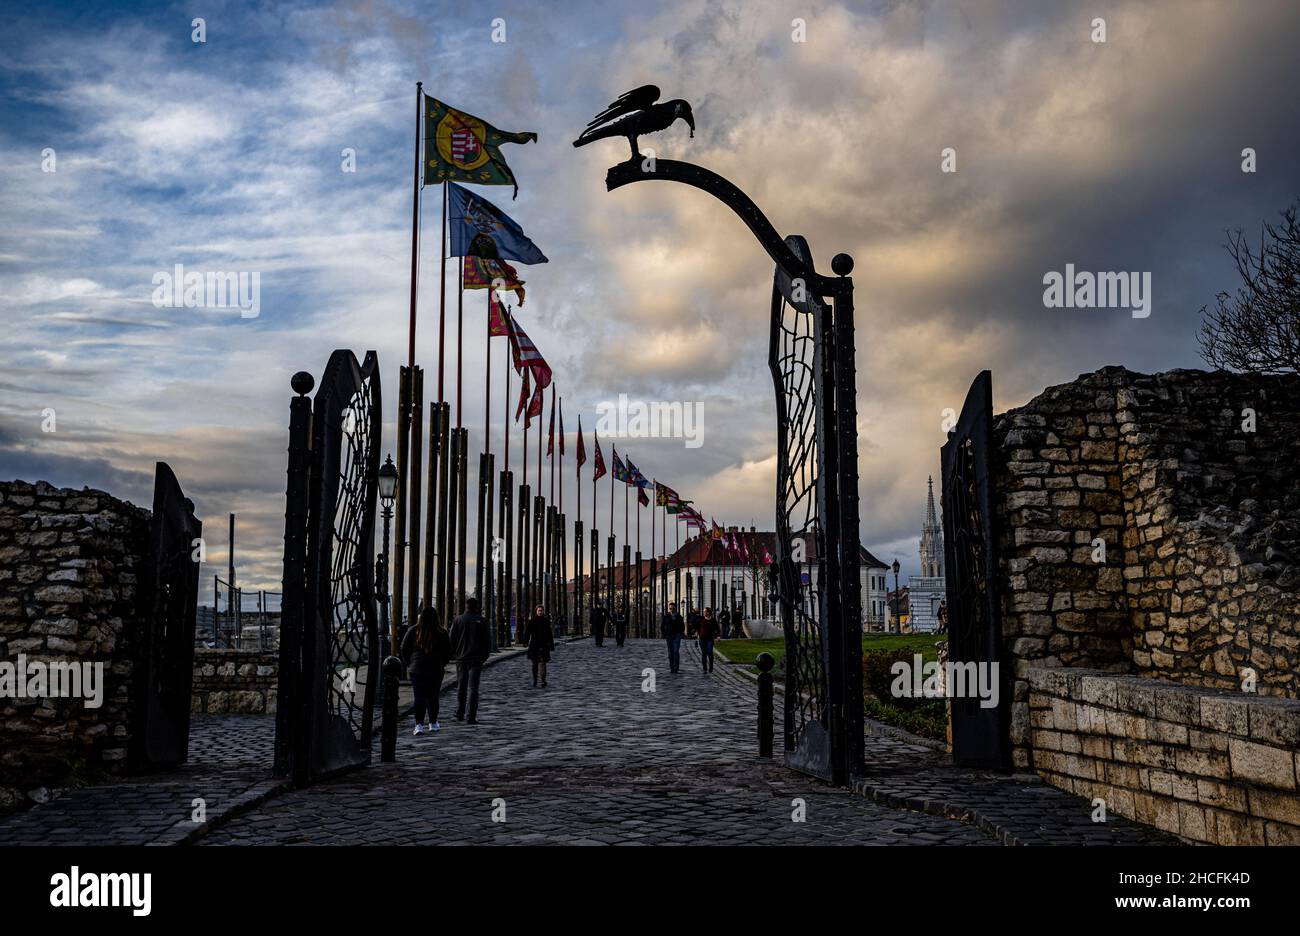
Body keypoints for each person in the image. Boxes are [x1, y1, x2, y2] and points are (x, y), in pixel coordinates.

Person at [400, 605, 451, 735]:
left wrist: (410, 663)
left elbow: (404, 649)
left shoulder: (413, 631)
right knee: (433, 696)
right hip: (435, 668)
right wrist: (442, 663)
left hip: (417, 669)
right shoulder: (442, 632)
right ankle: (433, 722)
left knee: (419, 697)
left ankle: (419, 725)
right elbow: (449, 651)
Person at [450, 596, 491, 724]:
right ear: (477, 607)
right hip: (476, 659)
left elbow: (452, 640)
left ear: (466, 606)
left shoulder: (458, 620)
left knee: (461, 687)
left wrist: (456, 655)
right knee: (473, 688)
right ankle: (471, 716)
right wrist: (483, 658)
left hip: (461, 659)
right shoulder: (482, 621)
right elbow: (487, 643)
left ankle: (459, 713)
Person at [523, 604, 555, 687]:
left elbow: (549, 634)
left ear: (543, 611)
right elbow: (527, 632)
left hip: (544, 645)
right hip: (534, 645)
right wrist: (525, 642)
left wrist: (551, 645)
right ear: (536, 611)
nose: (540, 612)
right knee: (534, 664)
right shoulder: (532, 621)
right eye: (539, 610)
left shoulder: (546, 621)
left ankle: (543, 680)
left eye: (541, 610)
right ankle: (535, 680)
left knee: (543, 663)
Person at [660, 602, 685, 673]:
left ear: (675, 608)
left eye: (673, 608)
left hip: (677, 635)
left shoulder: (679, 617)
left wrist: (680, 633)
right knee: (670, 653)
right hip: (669, 636)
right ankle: (671, 667)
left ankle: (676, 667)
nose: (671, 610)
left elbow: (683, 626)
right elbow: (662, 626)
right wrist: (664, 634)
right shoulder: (666, 616)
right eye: (670, 608)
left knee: (676, 651)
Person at [698, 606, 721, 673]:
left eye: (705, 611)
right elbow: (697, 627)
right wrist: (698, 634)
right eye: (703, 611)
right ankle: (704, 668)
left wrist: (718, 636)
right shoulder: (701, 619)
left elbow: (717, 628)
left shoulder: (713, 620)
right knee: (704, 654)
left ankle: (711, 667)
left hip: (710, 639)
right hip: (702, 638)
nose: (704, 613)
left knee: (710, 652)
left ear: (708, 612)